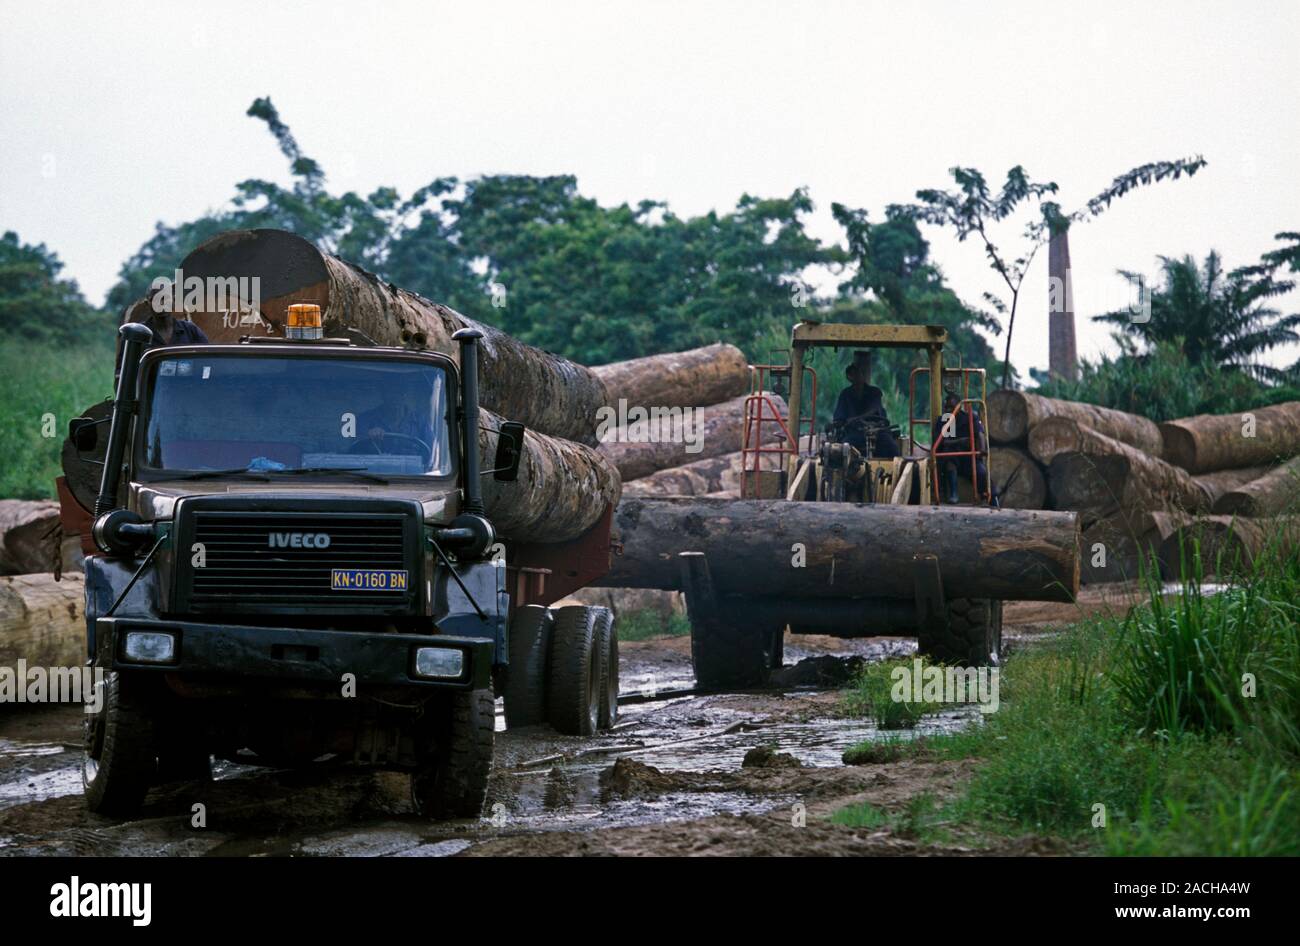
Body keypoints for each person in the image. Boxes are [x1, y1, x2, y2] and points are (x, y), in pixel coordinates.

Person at [832, 351, 900, 459]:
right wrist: (842, 423)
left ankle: (898, 470)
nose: (859, 376)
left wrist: (856, 419)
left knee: (893, 448)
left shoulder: (875, 392)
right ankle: (845, 472)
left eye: (861, 372)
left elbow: (873, 411)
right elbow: (839, 418)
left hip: (877, 431)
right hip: (855, 432)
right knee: (844, 448)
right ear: (850, 376)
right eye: (855, 373)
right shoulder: (845, 395)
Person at [932, 391, 995, 505]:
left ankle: (991, 498)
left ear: (958, 406)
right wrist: (960, 441)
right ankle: (953, 493)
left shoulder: (970, 417)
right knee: (949, 462)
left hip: (969, 457)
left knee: (981, 472)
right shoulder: (943, 420)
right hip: (951, 457)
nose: (948, 410)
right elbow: (941, 443)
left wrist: (982, 449)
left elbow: (980, 433)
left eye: (951, 407)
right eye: (946, 407)